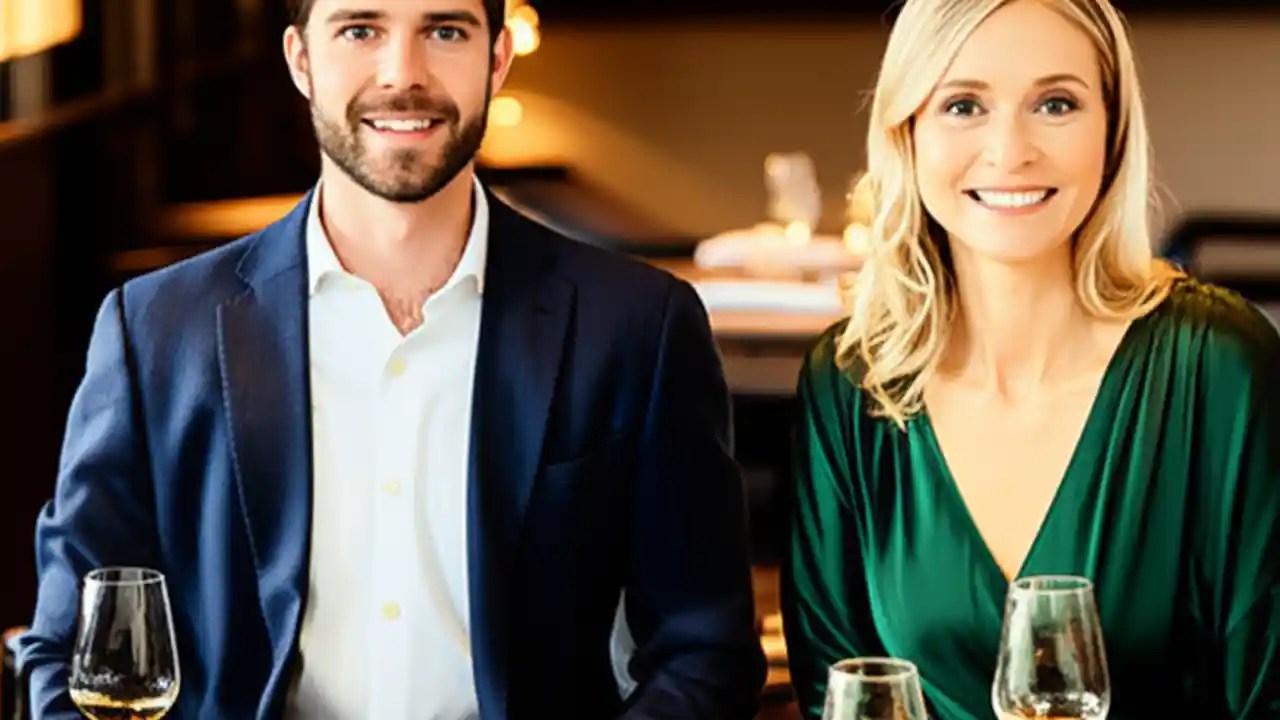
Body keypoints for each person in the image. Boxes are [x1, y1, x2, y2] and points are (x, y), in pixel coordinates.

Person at [19, 0, 766, 717]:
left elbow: (705, 654)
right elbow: (68, 653)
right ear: (300, 59)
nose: (402, 72)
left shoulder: (637, 326)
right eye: (359, 30)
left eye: (444, 30)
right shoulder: (154, 330)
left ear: (496, 59)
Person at [781, 0, 1279, 717]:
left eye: (1055, 103)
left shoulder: (1219, 369)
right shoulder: (852, 381)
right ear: (906, 132)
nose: (1010, 150)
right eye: (962, 105)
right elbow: (843, 694)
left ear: (1113, 131)